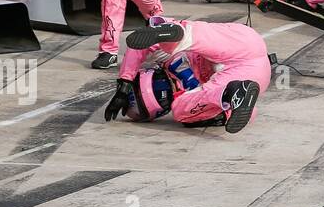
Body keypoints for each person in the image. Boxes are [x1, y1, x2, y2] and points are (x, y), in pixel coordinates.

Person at [104, 17, 270, 132]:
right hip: (245, 43)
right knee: (202, 35)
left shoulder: (184, 102)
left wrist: (213, 118)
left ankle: (229, 96)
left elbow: (251, 112)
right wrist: (125, 80)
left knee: (180, 113)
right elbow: (139, 45)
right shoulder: (167, 60)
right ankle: (180, 33)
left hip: (253, 76)